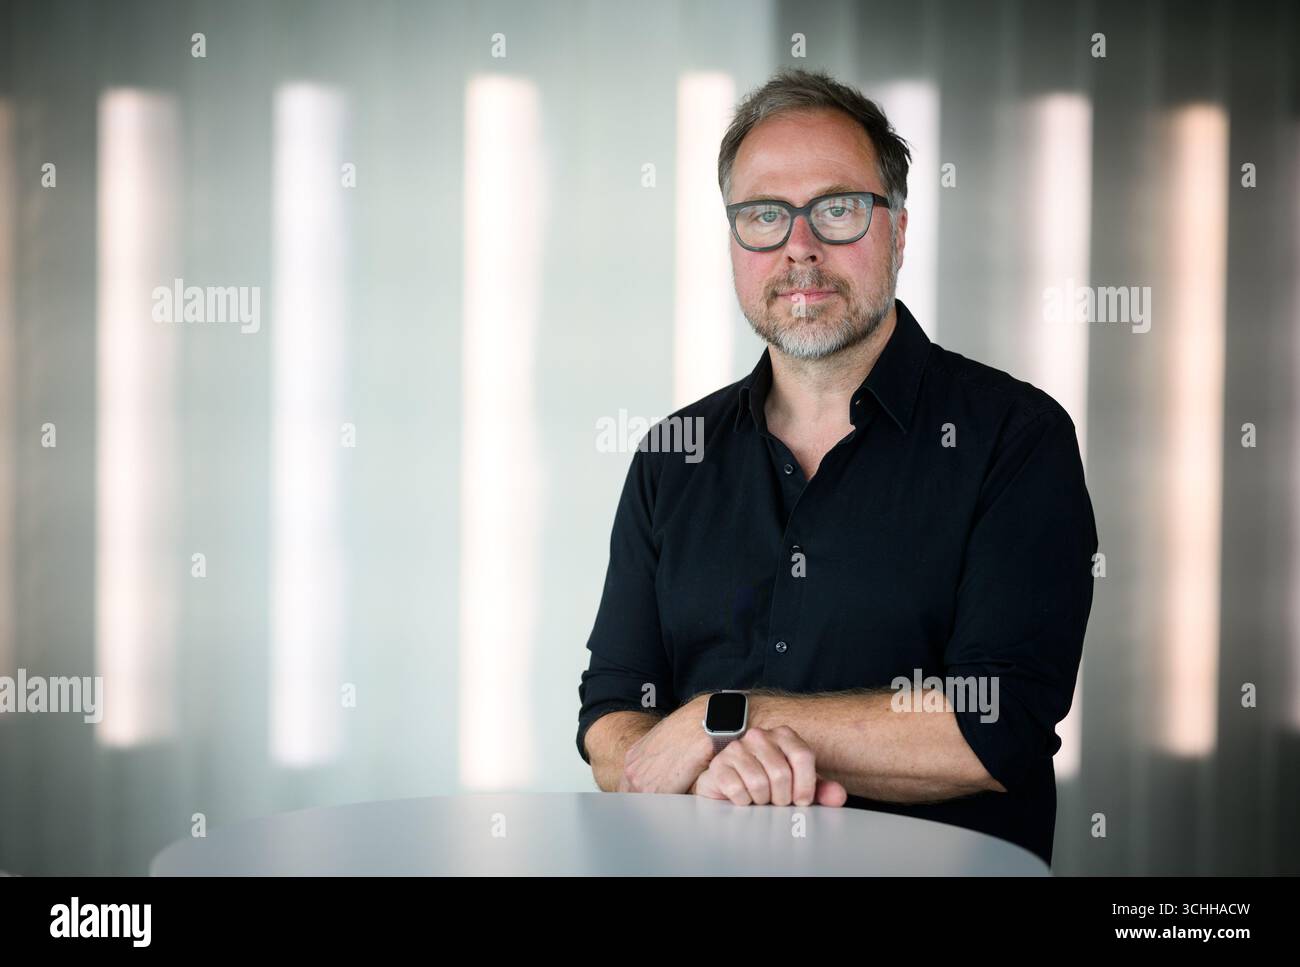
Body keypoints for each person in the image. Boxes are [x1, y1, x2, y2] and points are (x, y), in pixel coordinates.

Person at [576, 67, 1098, 866]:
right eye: (763, 215)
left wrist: (729, 716)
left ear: (898, 228)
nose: (799, 247)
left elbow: (997, 725)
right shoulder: (670, 458)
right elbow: (612, 718)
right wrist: (715, 761)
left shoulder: (1015, 439)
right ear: (733, 240)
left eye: (838, 209)